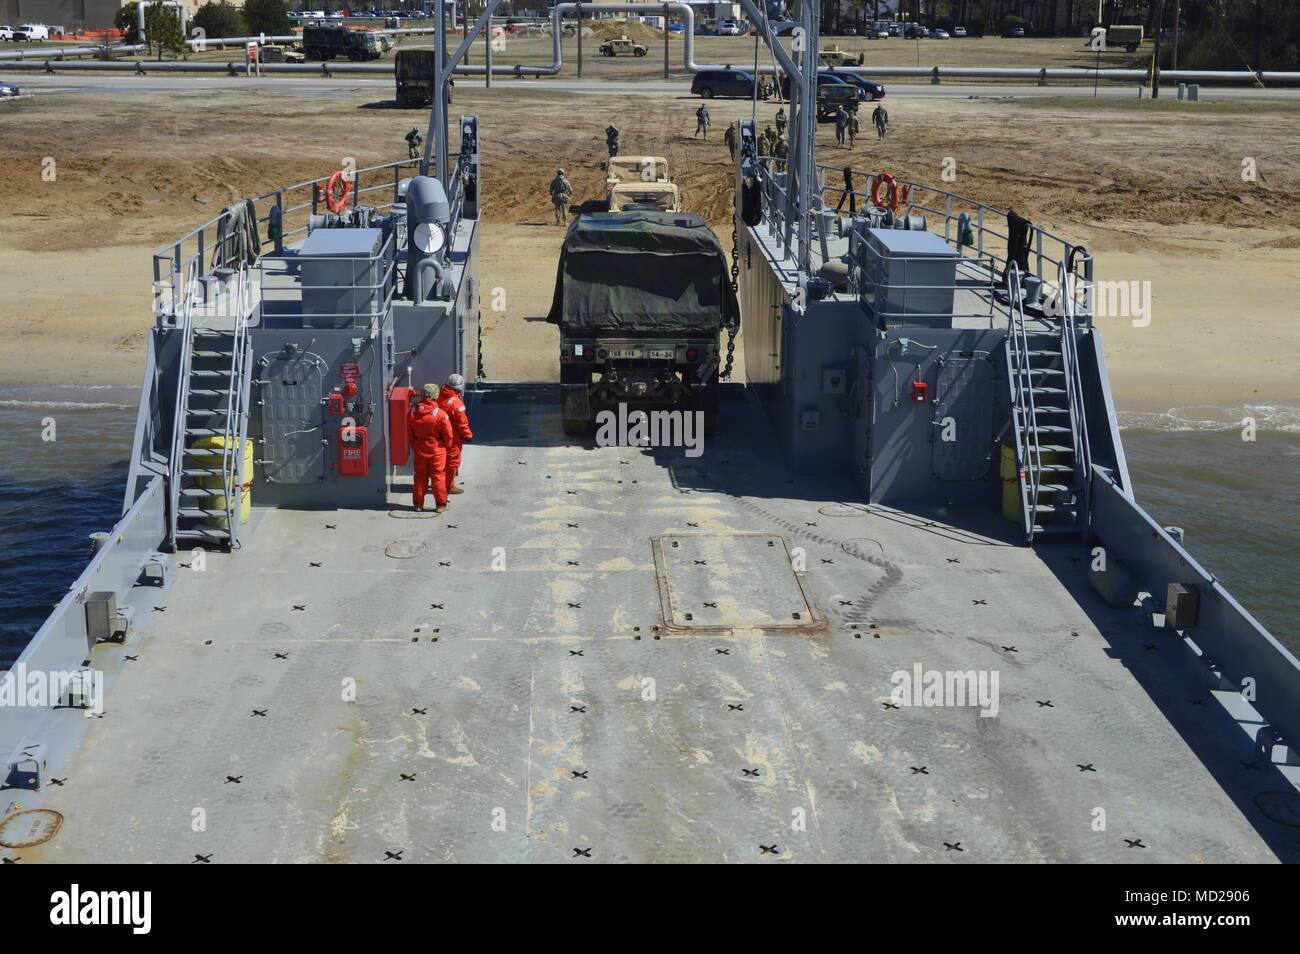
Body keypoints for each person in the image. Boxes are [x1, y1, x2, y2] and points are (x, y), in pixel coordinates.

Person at [408, 384, 453, 513]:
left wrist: (414, 445)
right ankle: (440, 505)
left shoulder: (412, 412)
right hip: (437, 450)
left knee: (420, 476)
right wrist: (447, 446)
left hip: (419, 448)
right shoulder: (440, 414)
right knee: (438, 476)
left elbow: (409, 433)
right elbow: (448, 435)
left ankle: (417, 505)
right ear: (435, 396)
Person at [436, 373, 473, 495]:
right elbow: (462, 423)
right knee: (452, 462)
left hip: (438, 435)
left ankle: (438, 482)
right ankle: (448, 487)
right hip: (453, 437)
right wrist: (468, 436)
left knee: (439, 461)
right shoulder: (457, 404)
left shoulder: (439, 395)